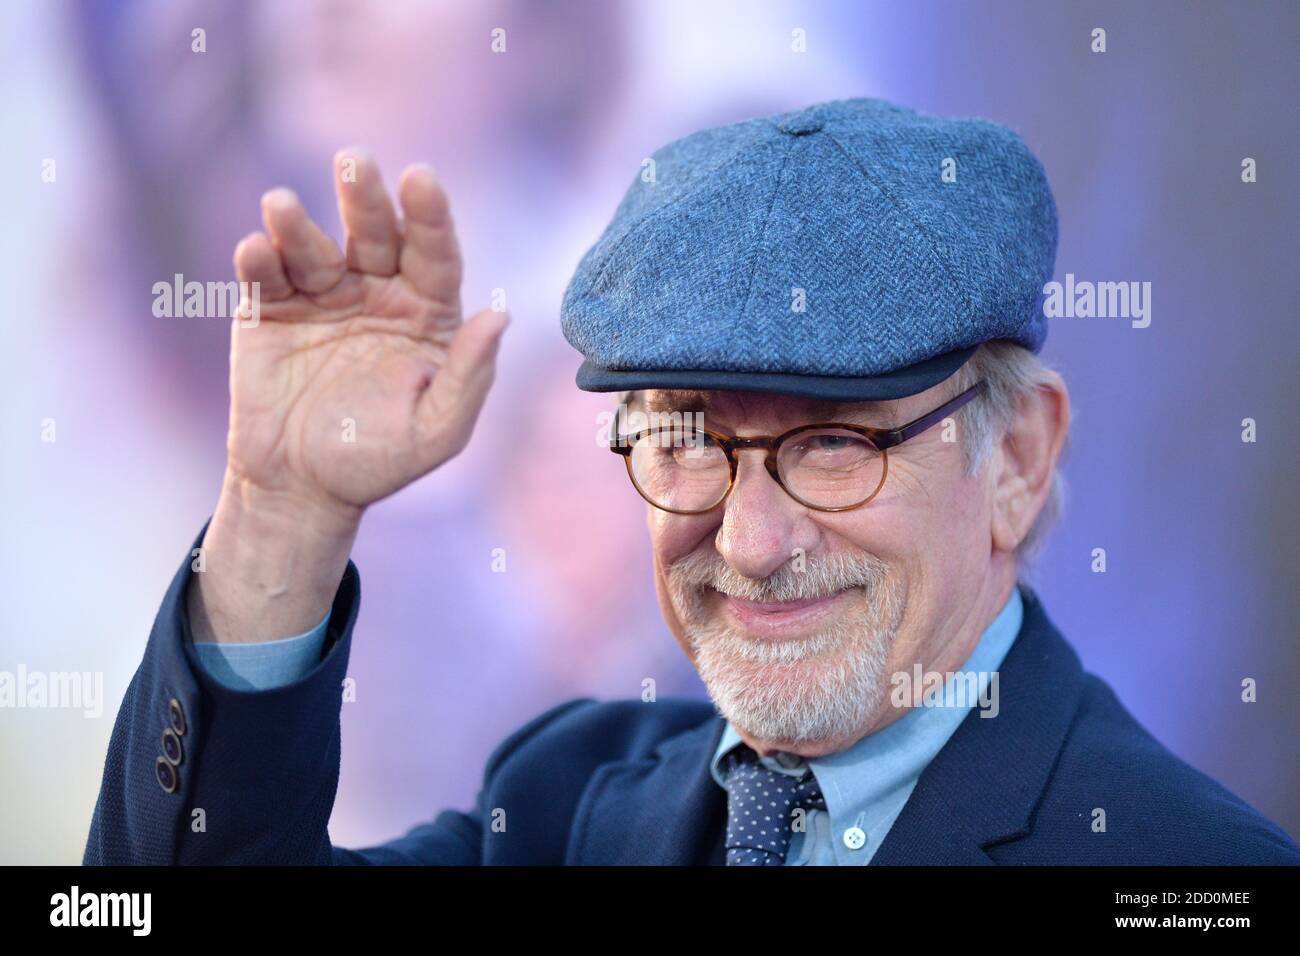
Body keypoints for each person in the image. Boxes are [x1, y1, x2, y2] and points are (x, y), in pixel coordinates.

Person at [84, 98, 1299, 865]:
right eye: (685, 434)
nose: (753, 540)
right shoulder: (563, 805)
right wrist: (284, 508)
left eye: (835, 442)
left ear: (1017, 459)